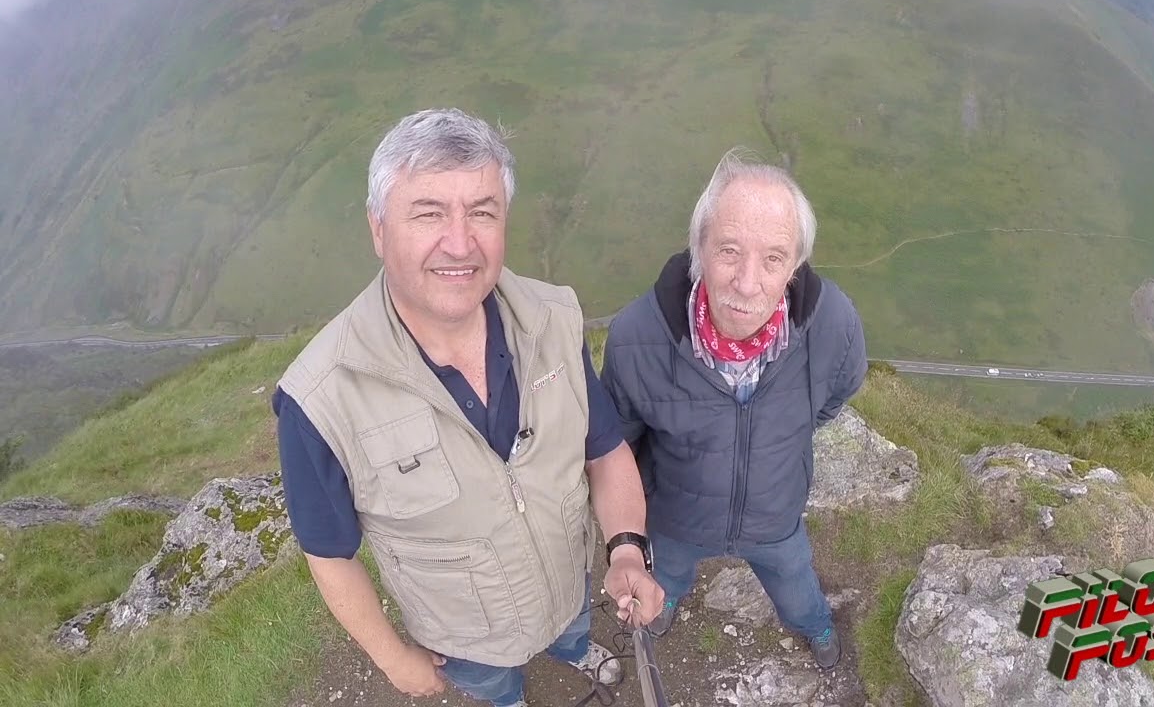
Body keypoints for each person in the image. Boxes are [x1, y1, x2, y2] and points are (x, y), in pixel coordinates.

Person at [272, 107, 664, 707]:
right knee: (492, 686)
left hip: (568, 589)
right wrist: (393, 658)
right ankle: (508, 698)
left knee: (571, 630)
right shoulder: (319, 400)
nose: (460, 244)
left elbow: (605, 450)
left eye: (482, 212)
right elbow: (328, 554)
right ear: (378, 229)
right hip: (465, 640)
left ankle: (572, 650)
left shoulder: (553, 321)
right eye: (428, 213)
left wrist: (627, 548)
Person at [599, 147, 868, 670]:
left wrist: (786, 442)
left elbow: (837, 393)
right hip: (676, 516)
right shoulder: (638, 337)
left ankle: (814, 624)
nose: (747, 283)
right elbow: (618, 443)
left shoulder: (833, 324)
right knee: (666, 573)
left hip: (775, 515)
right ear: (698, 247)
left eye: (773, 258)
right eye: (728, 251)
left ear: (795, 265)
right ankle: (663, 602)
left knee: (795, 584)